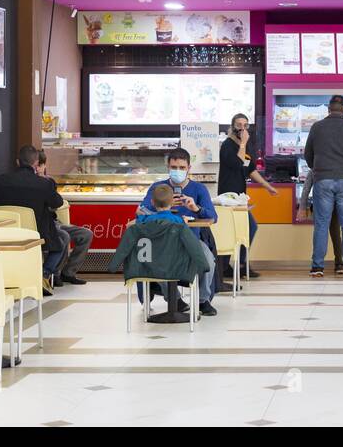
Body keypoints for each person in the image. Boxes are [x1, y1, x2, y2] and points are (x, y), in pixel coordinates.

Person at [109, 184, 212, 317]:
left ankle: (172, 298)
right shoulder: (178, 222)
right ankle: (194, 302)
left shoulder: (142, 222)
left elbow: (125, 243)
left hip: (149, 268)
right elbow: (193, 246)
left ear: (152, 202)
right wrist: (204, 265)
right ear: (172, 203)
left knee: (160, 262)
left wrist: (113, 266)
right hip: (177, 268)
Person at [138, 148, 218, 316]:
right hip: (163, 240)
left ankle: (203, 300)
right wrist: (160, 206)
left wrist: (195, 208)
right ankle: (174, 299)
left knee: (208, 261)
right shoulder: (158, 188)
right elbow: (140, 210)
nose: (178, 171)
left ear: (189, 168)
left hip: (191, 239)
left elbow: (213, 217)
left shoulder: (199, 189)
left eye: (182, 167)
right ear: (168, 167)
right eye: (174, 167)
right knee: (159, 260)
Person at [0, 145, 66, 295]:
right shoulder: (44, 184)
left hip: (7, 232)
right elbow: (58, 203)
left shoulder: (2, 181)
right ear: (36, 163)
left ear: (17, 162)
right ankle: (42, 275)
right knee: (61, 244)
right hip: (37, 234)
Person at [303, 95, 343, 278]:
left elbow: (308, 154)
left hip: (323, 180)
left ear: (328, 109)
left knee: (321, 224)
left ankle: (317, 267)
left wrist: (318, 168)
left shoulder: (317, 127)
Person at [216, 113, 279, 280]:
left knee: (247, 228)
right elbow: (237, 163)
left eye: (245, 125)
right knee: (242, 228)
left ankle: (232, 265)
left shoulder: (246, 146)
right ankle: (233, 266)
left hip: (240, 196)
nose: (242, 128)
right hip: (228, 197)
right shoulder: (228, 146)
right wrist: (242, 143)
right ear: (232, 126)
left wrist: (267, 186)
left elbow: (249, 169)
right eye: (239, 125)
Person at [36, 150, 93, 285]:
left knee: (86, 234)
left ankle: (69, 272)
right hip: (44, 225)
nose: (39, 168)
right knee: (63, 237)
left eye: (41, 165)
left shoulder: (49, 182)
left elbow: (55, 205)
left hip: (55, 222)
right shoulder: (32, 184)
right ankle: (54, 274)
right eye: (37, 165)